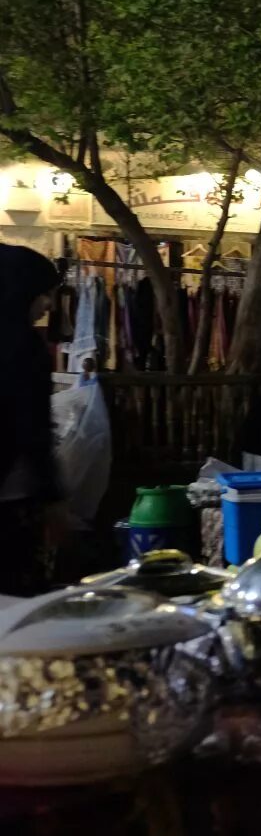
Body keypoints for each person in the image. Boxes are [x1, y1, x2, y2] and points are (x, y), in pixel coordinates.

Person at [0, 246, 67, 596]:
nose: (49, 305)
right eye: (43, 293)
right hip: (13, 495)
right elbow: (34, 426)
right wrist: (52, 495)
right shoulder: (24, 348)